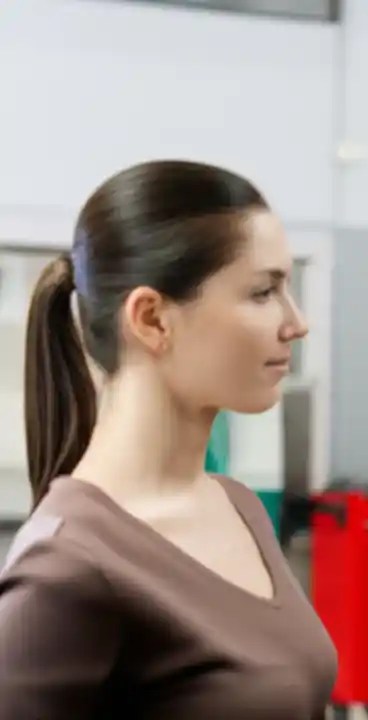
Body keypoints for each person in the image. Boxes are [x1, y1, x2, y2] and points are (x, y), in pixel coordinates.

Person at [0, 160, 337, 719]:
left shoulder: (239, 508)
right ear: (153, 319)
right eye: (262, 292)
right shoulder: (69, 568)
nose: (296, 322)